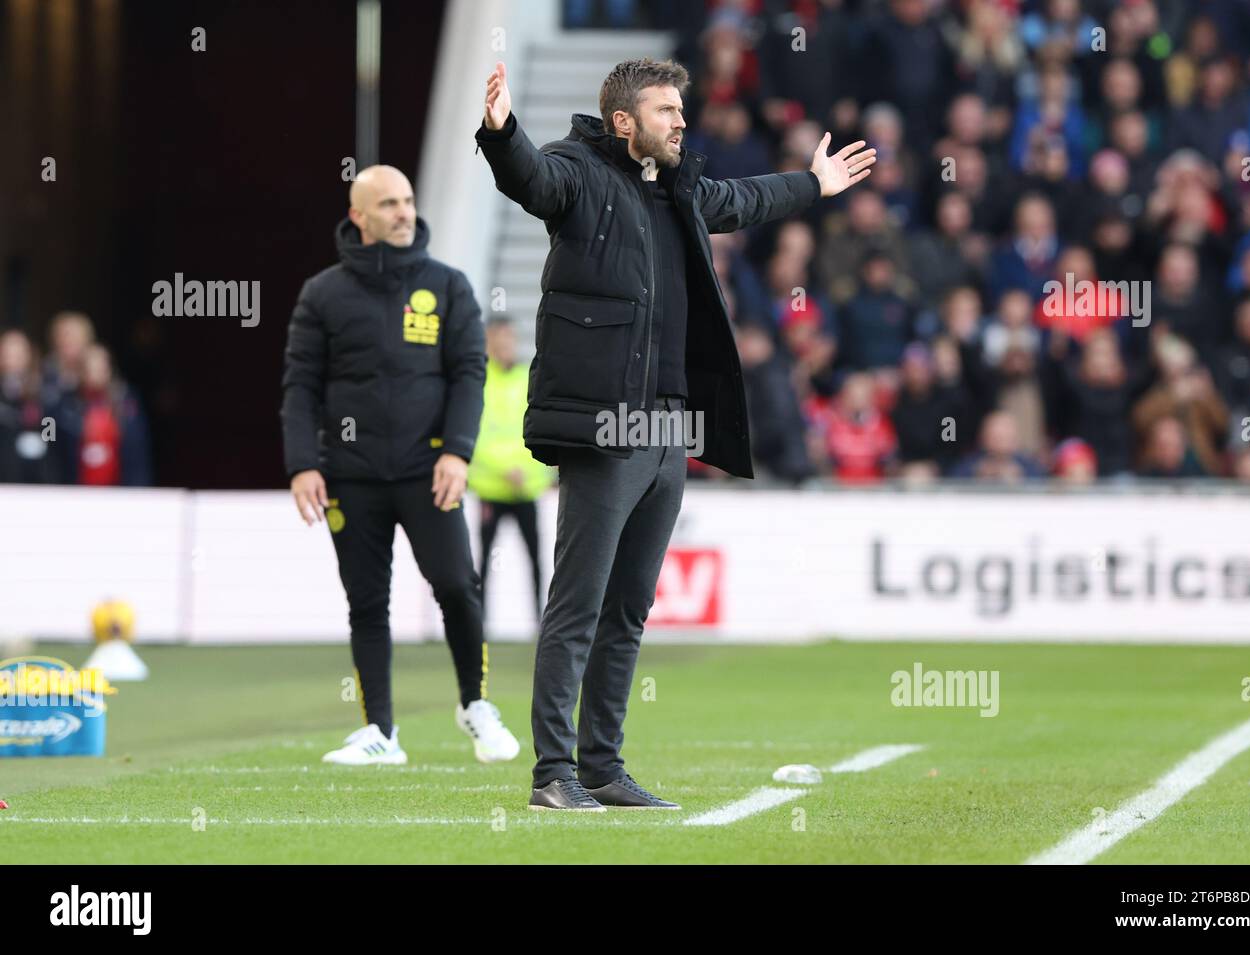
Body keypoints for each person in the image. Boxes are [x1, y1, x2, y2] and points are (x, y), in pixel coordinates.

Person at [476, 58, 874, 810]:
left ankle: (601, 766)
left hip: (668, 426)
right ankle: (552, 773)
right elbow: (531, 181)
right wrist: (500, 133)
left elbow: (743, 199)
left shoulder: (682, 187)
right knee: (579, 604)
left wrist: (812, 185)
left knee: (629, 607)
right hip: (607, 426)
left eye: (682, 111)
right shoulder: (577, 171)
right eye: (666, 111)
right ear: (624, 121)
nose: (681, 122)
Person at [280, 164, 519, 766]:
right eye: (388, 203)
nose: (404, 211)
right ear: (359, 216)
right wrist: (303, 464)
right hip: (350, 475)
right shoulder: (322, 293)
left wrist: (458, 452)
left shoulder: (448, 286)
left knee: (458, 588)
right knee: (366, 603)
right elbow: (300, 387)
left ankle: (475, 704)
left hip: (428, 469)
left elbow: (469, 374)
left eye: (408, 200)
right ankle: (380, 732)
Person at [467, 316, 555, 628]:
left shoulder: (527, 379)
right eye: (500, 340)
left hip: (525, 488)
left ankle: (540, 622)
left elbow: (537, 430)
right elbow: (474, 437)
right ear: (489, 343)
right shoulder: (478, 383)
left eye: (510, 339)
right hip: (491, 489)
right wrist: (505, 469)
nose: (507, 346)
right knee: (482, 562)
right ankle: (479, 624)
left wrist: (526, 470)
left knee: (536, 558)